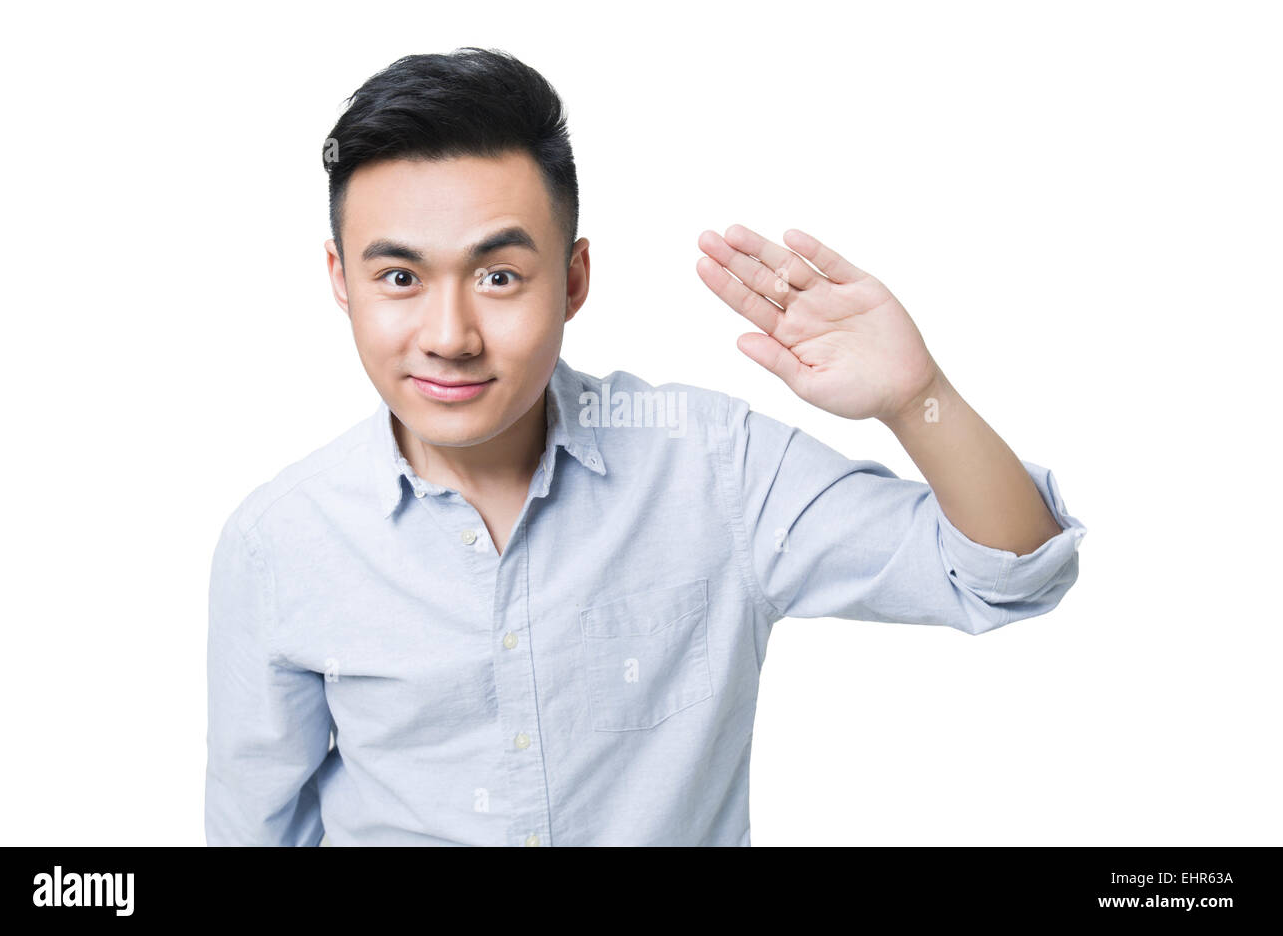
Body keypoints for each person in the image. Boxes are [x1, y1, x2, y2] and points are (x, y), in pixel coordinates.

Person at [205, 47, 1087, 846]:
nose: (450, 334)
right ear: (341, 282)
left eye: (499, 276)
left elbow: (1008, 571)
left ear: (574, 279)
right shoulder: (280, 542)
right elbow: (256, 831)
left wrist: (916, 400)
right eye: (398, 277)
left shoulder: (714, 468)